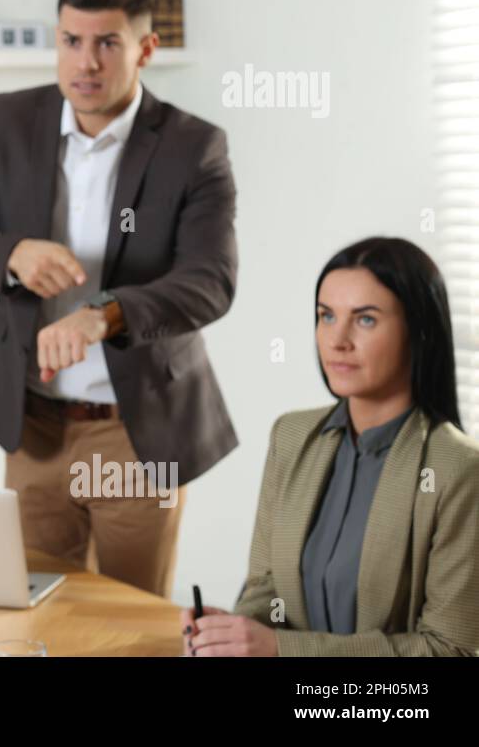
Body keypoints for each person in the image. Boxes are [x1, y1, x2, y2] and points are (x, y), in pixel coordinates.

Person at [0, 0, 238, 598]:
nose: (85, 63)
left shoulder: (193, 147)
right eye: (71, 41)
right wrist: (14, 254)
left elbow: (211, 281)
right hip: (32, 425)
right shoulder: (5, 124)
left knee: (130, 626)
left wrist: (106, 314)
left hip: (135, 430)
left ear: (146, 49)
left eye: (107, 44)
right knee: (36, 616)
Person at [184, 237, 479, 656]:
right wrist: (233, 631)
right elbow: (268, 590)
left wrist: (281, 649)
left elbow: (451, 649)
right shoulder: (290, 436)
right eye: (326, 316)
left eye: (366, 320)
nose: (337, 339)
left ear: (418, 329)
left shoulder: (458, 469)